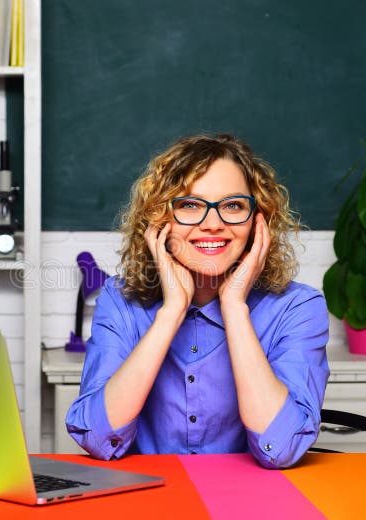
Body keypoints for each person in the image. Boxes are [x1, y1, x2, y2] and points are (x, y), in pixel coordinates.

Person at [65, 134, 330, 469]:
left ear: (257, 221)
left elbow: (281, 450)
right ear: (160, 219)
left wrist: (234, 306)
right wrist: (172, 312)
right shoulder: (120, 302)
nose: (213, 224)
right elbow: (97, 439)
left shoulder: (298, 309)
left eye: (233, 205)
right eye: (190, 205)